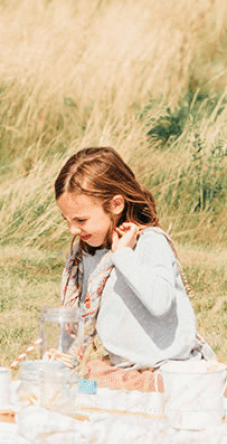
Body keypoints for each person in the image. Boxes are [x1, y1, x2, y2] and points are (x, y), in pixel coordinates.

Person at [55, 146, 211, 387]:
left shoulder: (150, 242)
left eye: (81, 220)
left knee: (104, 390)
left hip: (168, 367)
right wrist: (64, 361)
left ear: (116, 204)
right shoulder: (84, 253)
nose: (73, 230)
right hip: (123, 368)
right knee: (72, 383)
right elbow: (75, 319)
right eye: (67, 221)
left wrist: (123, 255)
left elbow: (159, 302)